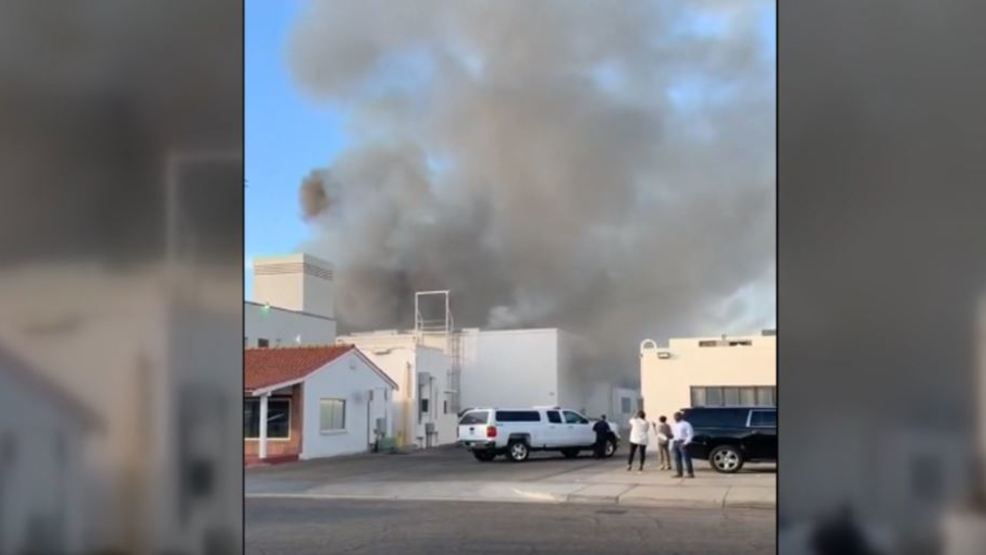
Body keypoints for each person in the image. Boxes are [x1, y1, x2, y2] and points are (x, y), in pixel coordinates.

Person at [670, 411, 694, 478]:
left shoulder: (686, 424)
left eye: (677, 416)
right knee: (677, 459)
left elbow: (690, 434)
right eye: (674, 416)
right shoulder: (674, 425)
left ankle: (690, 473)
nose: (675, 418)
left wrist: (685, 443)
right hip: (675, 442)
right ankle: (679, 473)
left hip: (683, 442)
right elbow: (673, 434)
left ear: (681, 417)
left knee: (686, 458)